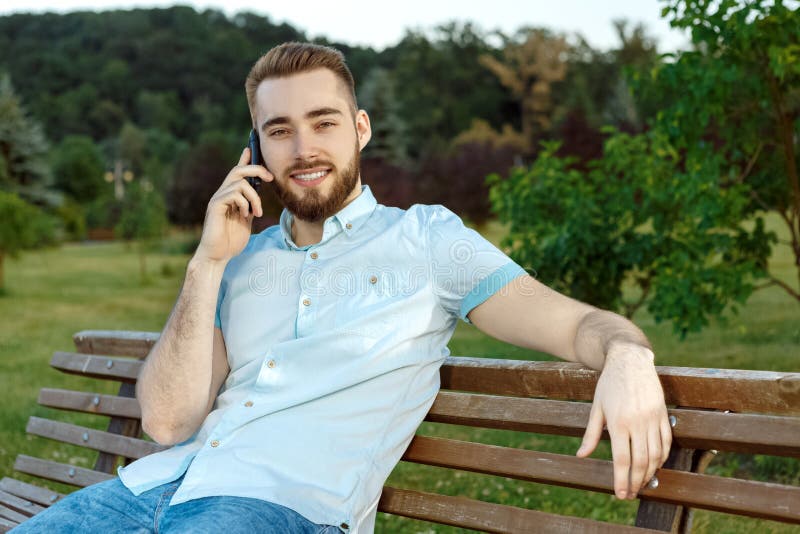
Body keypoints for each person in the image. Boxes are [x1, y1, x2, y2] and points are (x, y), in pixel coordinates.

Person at [12, 42, 671, 534]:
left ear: (360, 129)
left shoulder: (430, 243)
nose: (303, 148)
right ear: (256, 151)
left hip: (274, 510)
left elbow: (577, 324)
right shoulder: (239, 260)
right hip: (139, 493)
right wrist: (205, 264)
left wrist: (628, 356)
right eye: (279, 130)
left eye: (324, 122)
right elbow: (165, 421)